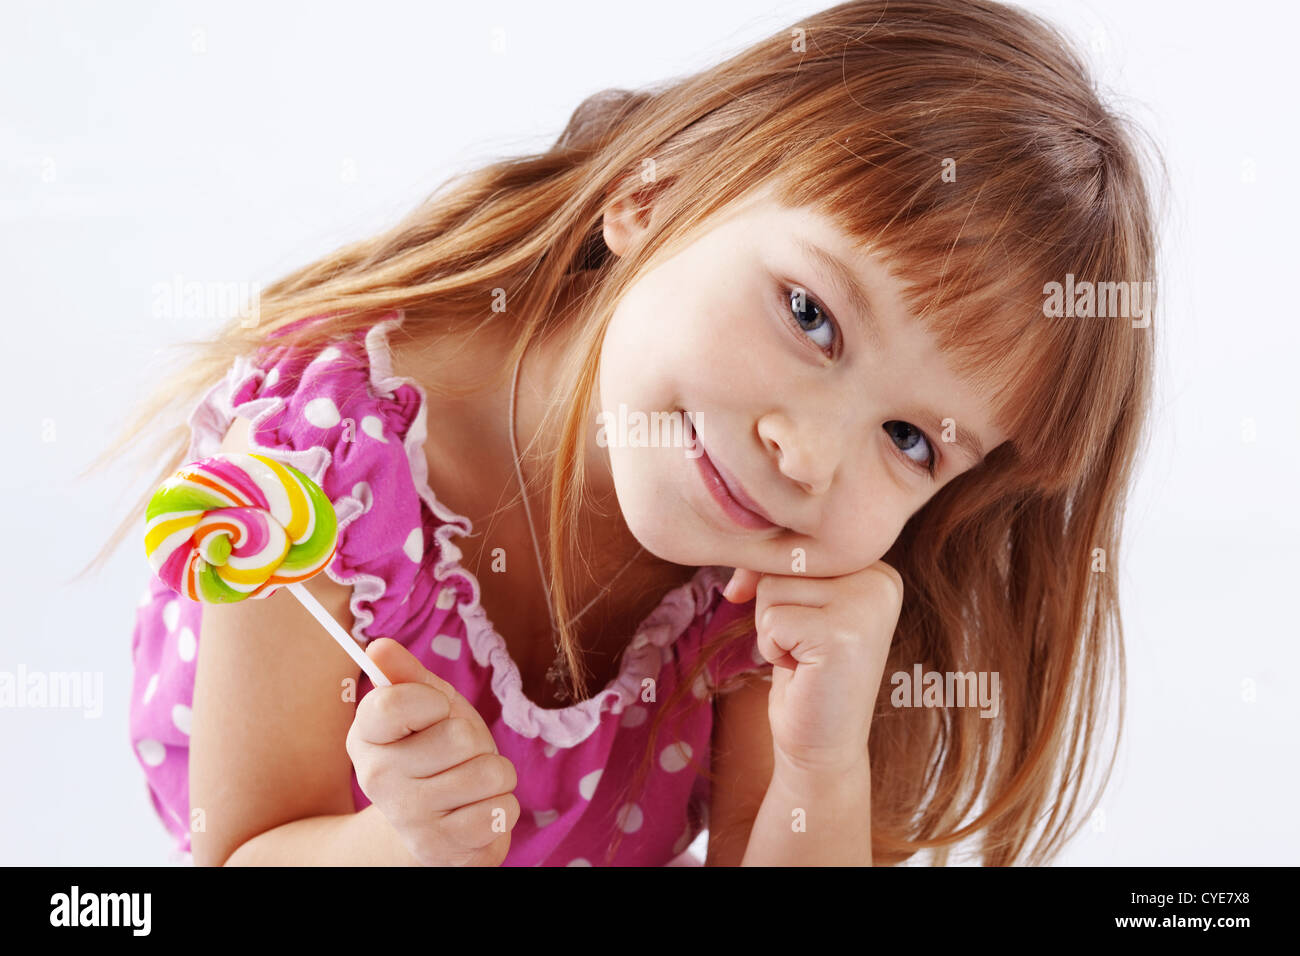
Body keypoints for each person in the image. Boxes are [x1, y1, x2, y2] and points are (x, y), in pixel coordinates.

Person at [89, 0, 1161, 866]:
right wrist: (396, 842)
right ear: (653, 192)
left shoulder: (765, 599)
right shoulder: (321, 475)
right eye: (809, 314)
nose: (808, 453)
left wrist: (820, 762)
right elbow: (242, 853)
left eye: (911, 440)